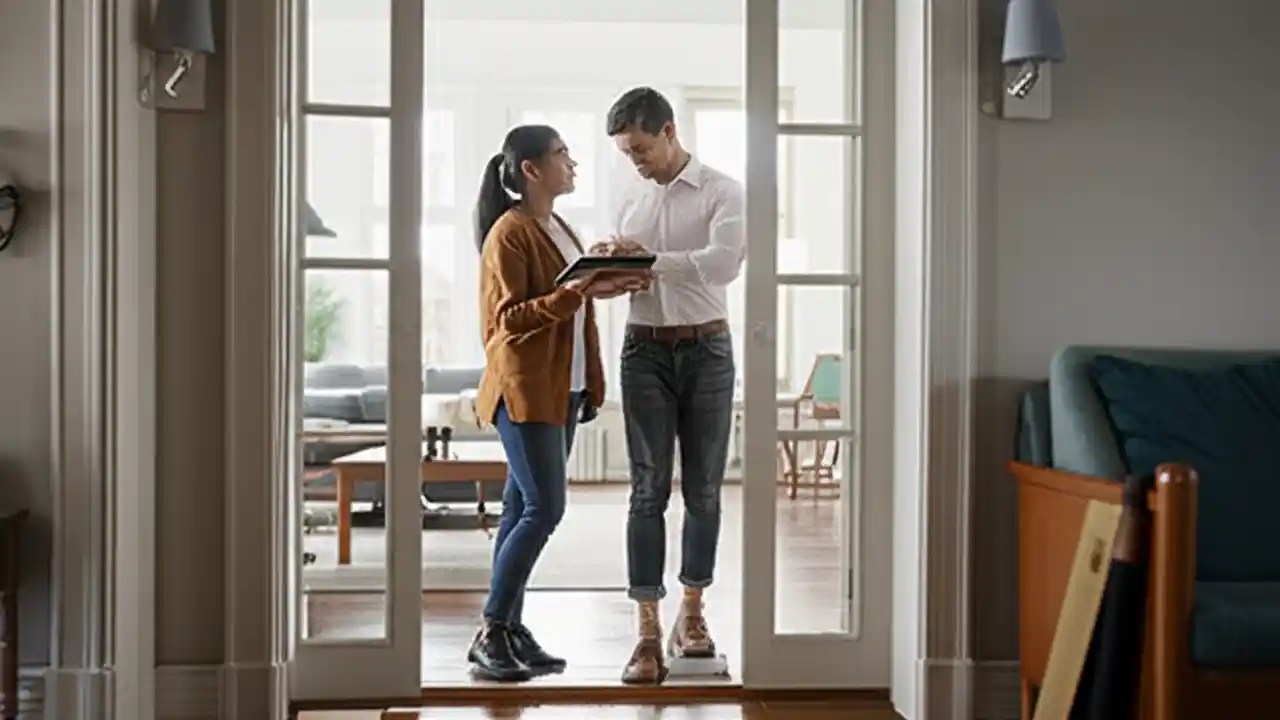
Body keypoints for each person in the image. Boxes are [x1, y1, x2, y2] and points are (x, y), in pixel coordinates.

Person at [469, 124, 646, 681]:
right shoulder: (510, 232)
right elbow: (507, 322)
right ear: (531, 169)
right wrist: (573, 294)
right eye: (562, 155)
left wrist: (609, 286)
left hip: (561, 389)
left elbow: (574, 301)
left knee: (521, 509)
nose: (573, 163)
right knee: (546, 508)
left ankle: (512, 631)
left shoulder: (559, 226)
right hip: (524, 390)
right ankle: (493, 627)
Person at [599, 87, 746, 685]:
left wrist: (648, 259)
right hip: (643, 349)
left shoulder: (723, 191)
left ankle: (693, 614)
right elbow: (632, 278)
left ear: (667, 131)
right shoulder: (629, 195)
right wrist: (610, 266)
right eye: (625, 153)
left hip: (708, 348)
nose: (634, 161)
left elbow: (721, 265)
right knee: (646, 491)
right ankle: (647, 632)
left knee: (704, 490)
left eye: (639, 148)